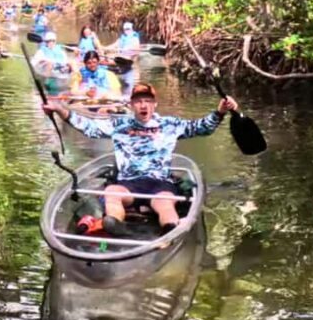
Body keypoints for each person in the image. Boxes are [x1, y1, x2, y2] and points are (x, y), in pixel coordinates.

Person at [43, 82, 239, 235]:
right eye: (138, 101)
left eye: (147, 100)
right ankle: (114, 225)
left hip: (160, 184)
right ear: (131, 104)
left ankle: (170, 232)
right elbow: (89, 127)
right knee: (111, 192)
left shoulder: (169, 125)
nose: (143, 105)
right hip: (128, 183)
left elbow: (202, 127)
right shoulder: (119, 125)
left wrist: (220, 111)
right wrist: (60, 109)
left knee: (165, 203)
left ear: (154, 104)